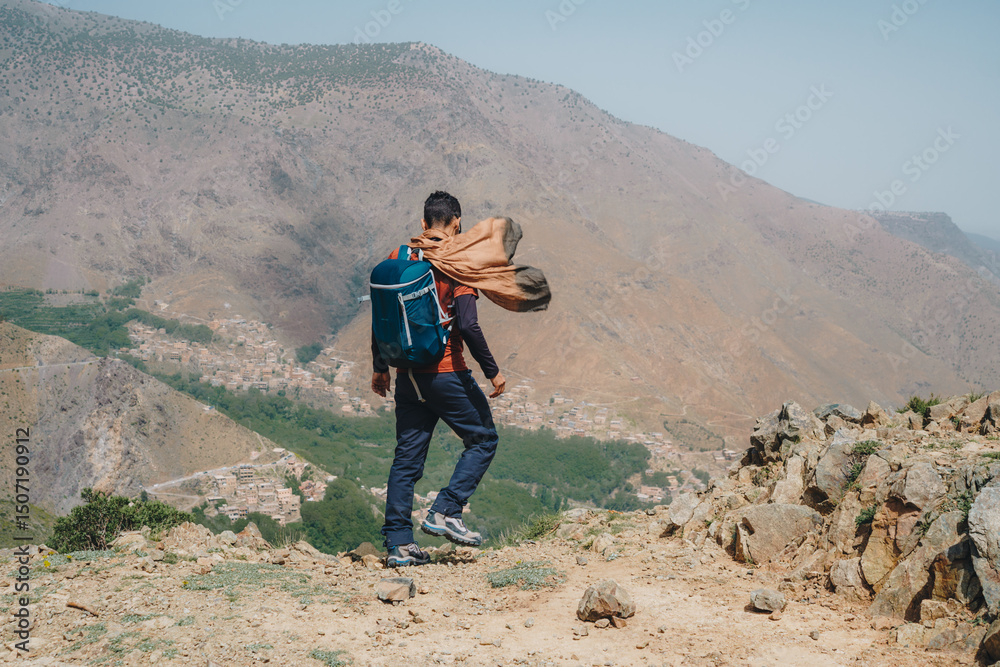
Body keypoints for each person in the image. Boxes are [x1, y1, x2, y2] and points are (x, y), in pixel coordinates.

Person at [372, 191, 507, 568]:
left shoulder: (399, 257)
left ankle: (399, 543)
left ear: (423, 223)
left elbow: (383, 316)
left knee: (406, 459)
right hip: (446, 373)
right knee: (483, 439)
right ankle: (446, 510)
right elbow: (468, 324)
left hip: (407, 376)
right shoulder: (456, 261)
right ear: (457, 224)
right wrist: (493, 371)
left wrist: (380, 366)